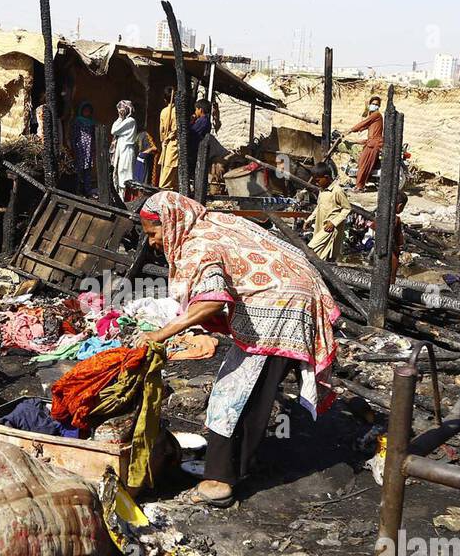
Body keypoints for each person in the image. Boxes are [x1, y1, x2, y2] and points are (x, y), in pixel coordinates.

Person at [136, 191, 339, 506]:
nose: (151, 242)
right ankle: (237, 464)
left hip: (282, 305)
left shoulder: (197, 244)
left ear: (172, 223)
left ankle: (221, 480)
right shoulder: (211, 223)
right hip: (289, 295)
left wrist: (161, 334)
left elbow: (213, 301)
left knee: (238, 392)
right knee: (248, 389)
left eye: (153, 233)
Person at [306, 177, 352, 261]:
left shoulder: (337, 191)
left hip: (330, 228)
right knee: (323, 254)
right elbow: (319, 207)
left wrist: (334, 223)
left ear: (326, 177)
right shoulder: (322, 191)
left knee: (312, 247)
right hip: (320, 226)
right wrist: (310, 219)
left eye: (318, 180)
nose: (316, 183)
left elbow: (347, 208)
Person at [348, 96, 384, 191]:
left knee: (364, 165)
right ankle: (360, 183)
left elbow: (364, 123)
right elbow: (364, 126)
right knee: (361, 163)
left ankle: (359, 187)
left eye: (376, 104)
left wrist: (350, 130)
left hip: (374, 144)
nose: (374, 106)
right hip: (371, 142)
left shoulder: (376, 115)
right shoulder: (373, 116)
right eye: (373, 104)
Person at [110, 99, 138, 196]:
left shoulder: (130, 121)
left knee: (124, 174)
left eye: (122, 110)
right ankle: (120, 196)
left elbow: (114, 131)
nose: (120, 112)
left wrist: (119, 118)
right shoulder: (124, 121)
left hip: (127, 151)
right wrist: (120, 118)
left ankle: (125, 198)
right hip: (121, 150)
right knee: (118, 172)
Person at [70, 101, 97, 198]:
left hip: (89, 149)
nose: (87, 112)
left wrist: (94, 147)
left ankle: (87, 191)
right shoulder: (77, 121)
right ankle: (77, 191)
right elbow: (73, 135)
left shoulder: (92, 122)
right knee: (79, 170)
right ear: (81, 111)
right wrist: (73, 147)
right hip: (80, 148)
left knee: (88, 170)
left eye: (88, 111)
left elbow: (94, 136)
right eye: (85, 110)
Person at [155, 87, 180, 189]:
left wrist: (163, 140)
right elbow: (175, 130)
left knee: (172, 173)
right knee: (167, 171)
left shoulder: (164, 111)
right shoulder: (173, 112)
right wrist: (166, 140)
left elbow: (162, 130)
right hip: (171, 144)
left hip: (168, 143)